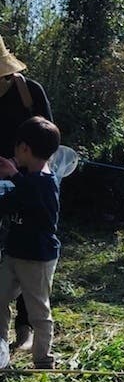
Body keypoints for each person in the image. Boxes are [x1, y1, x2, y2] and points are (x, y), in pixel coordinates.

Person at [0, 36, 53, 351]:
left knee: (28, 252)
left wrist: (19, 172)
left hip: (28, 180)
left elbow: (48, 138)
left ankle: (26, 325)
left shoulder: (28, 92)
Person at [0, 116, 62, 368]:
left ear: (24, 148)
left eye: (16, 148)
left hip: (37, 257)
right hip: (13, 253)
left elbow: (44, 216)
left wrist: (15, 177)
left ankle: (43, 360)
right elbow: (11, 205)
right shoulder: (25, 179)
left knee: (39, 312)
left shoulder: (46, 182)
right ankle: (2, 349)